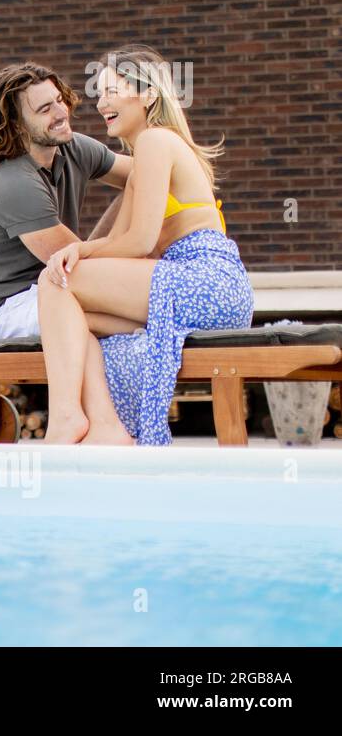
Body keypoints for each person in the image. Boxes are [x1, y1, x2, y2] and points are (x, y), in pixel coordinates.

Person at [37, 44, 254, 445]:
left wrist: (78, 251)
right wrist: (85, 251)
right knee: (71, 314)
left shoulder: (157, 140)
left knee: (56, 282)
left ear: (149, 94)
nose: (102, 103)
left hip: (206, 282)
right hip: (195, 287)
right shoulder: (145, 156)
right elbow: (122, 241)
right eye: (99, 94)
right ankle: (105, 426)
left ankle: (67, 419)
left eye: (113, 91)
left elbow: (140, 242)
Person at [0, 62, 133, 341]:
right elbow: (74, 268)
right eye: (45, 110)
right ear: (15, 125)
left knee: (140, 185)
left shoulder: (72, 148)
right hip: (17, 307)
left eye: (59, 100)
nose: (61, 113)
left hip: (58, 285)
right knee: (135, 316)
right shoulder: (13, 183)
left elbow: (144, 174)